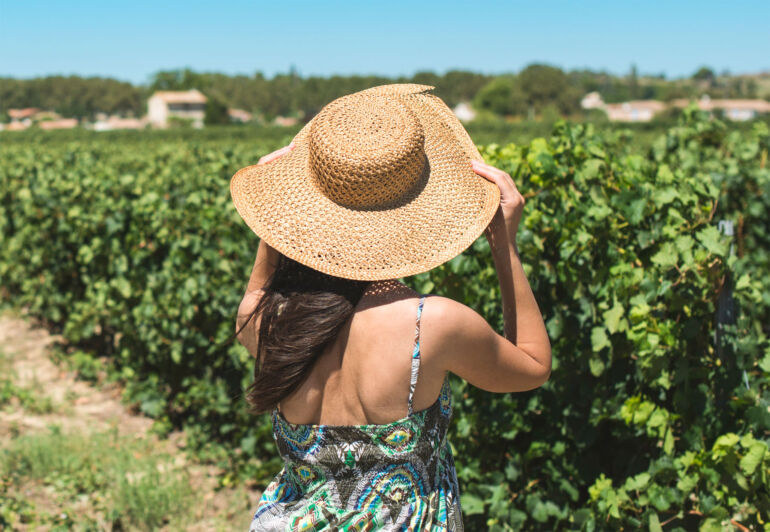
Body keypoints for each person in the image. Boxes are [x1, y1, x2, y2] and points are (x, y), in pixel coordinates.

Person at [230, 84, 551, 531]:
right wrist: (505, 245)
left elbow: (261, 284)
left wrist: (276, 214)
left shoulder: (263, 320)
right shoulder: (430, 324)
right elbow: (533, 365)